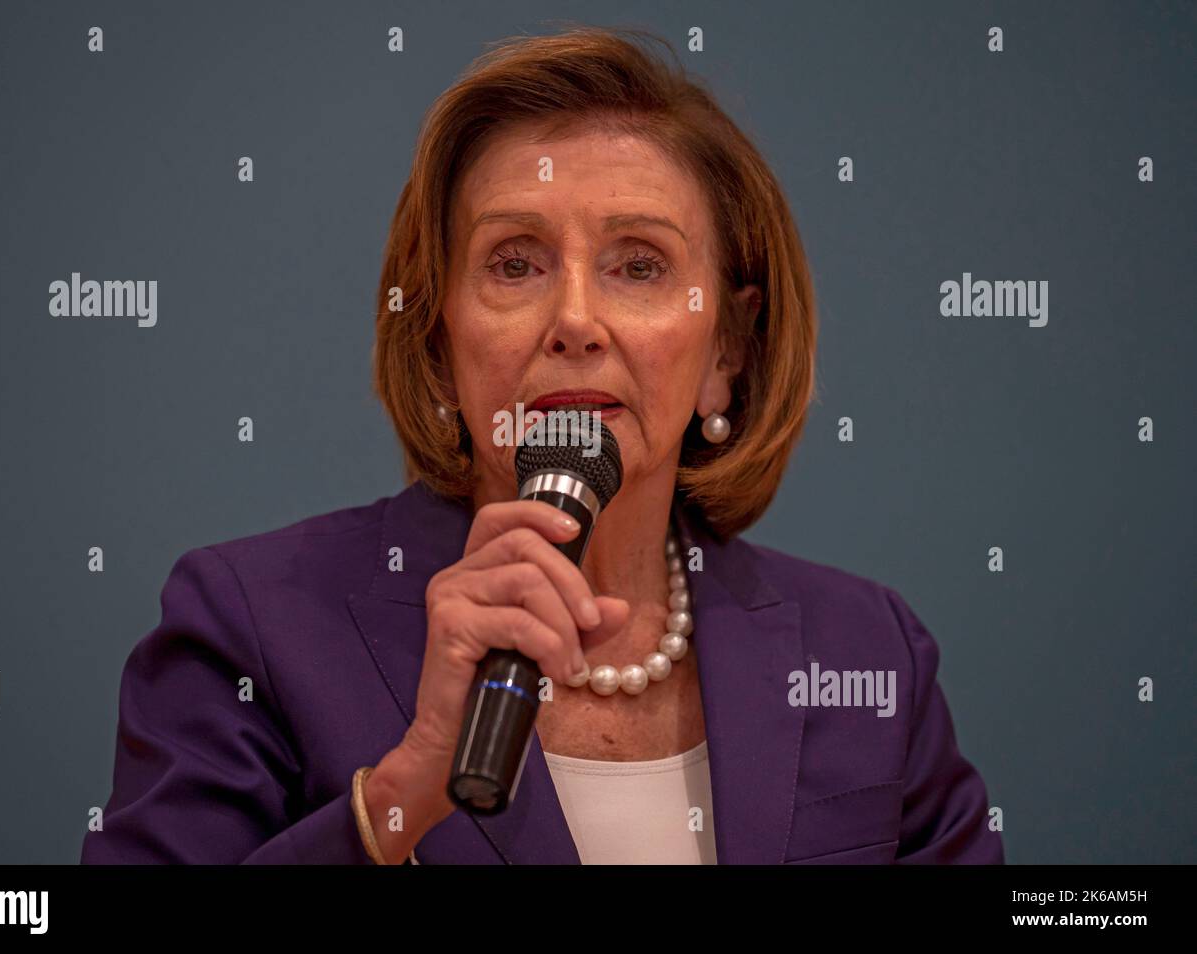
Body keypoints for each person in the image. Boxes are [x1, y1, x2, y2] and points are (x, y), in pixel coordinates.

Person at [82, 26, 1003, 865]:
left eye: (638, 264)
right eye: (514, 263)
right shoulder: (253, 626)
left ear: (727, 350)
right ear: (439, 344)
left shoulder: (869, 652)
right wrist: (406, 792)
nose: (574, 320)